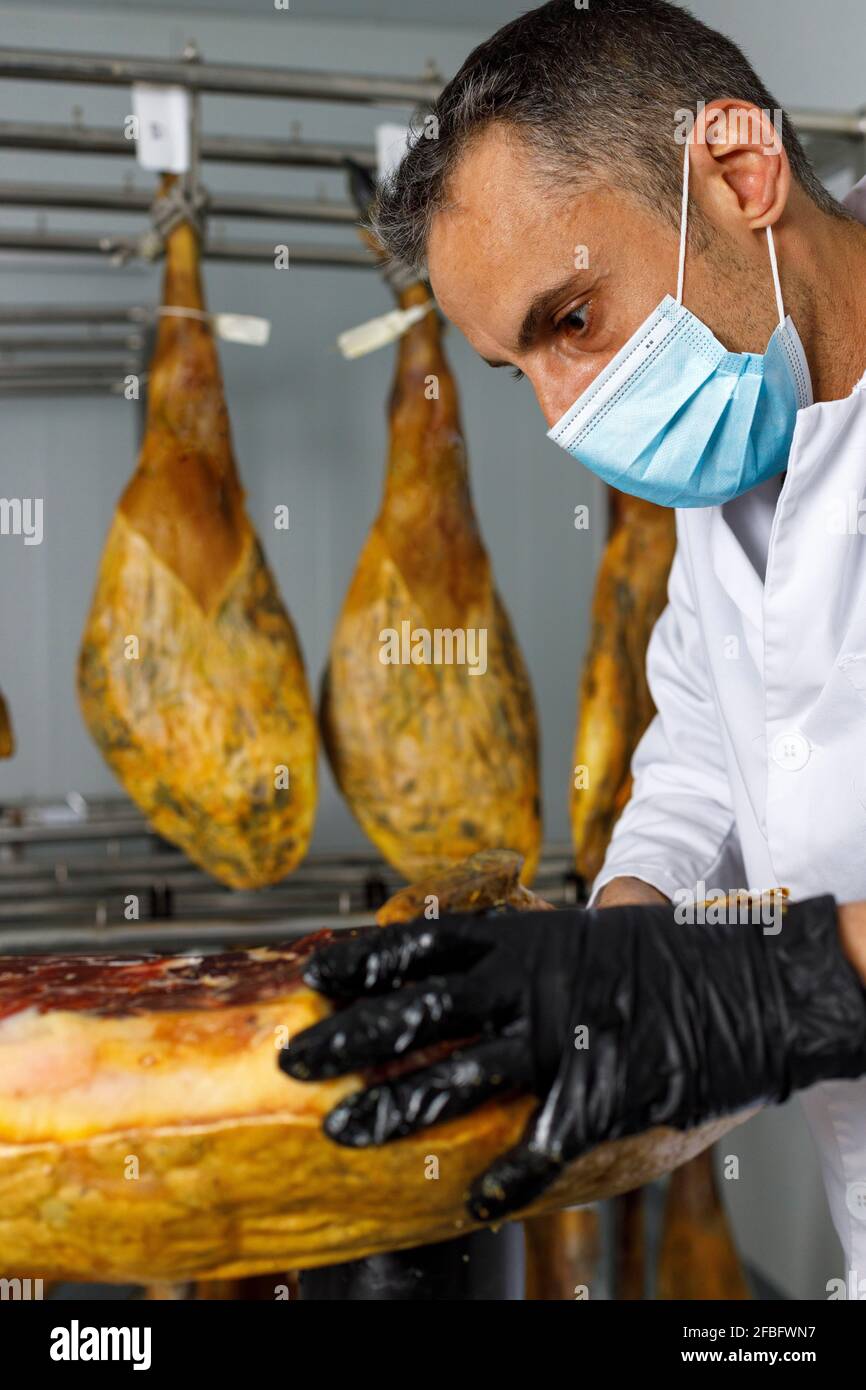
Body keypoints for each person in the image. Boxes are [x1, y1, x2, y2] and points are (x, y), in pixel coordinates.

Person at [283, 0, 866, 1271]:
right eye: (517, 370)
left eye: (572, 321)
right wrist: (621, 947)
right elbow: (703, 751)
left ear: (736, 173)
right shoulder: (737, 481)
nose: (564, 416)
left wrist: (770, 986)